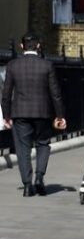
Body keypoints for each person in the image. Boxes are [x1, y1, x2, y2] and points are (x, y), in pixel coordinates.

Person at [1, 34, 67, 197]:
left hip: (20, 113)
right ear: (38, 46)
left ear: (22, 47)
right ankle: (39, 177)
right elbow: (55, 93)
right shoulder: (47, 65)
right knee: (43, 144)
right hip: (43, 112)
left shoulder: (13, 65)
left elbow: (6, 93)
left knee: (23, 149)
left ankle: (27, 185)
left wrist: (6, 115)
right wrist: (60, 115)